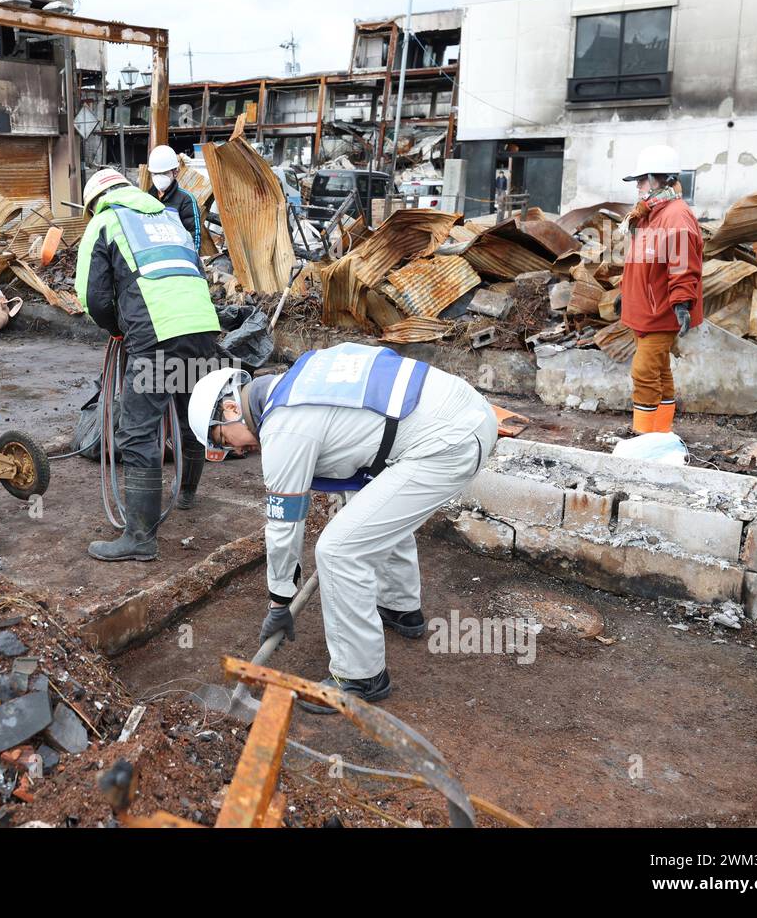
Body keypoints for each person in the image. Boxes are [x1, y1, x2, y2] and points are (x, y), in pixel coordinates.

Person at [188, 343, 497, 707]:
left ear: (229, 409)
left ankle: (361, 677)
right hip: (463, 412)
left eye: (225, 439)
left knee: (339, 549)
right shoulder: (301, 378)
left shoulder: (284, 425)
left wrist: (278, 601)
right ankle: (399, 607)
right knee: (366, 506)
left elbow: (284, 524)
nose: (236, 451)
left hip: (447, 442)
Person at [76, 169, 221, 562]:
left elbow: (93, 296)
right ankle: (187, 496)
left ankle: (140, 539)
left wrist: (117, 329)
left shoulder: (106, 221)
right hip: (203, 329)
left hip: (158, 338)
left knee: (138, 432)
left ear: (94, 203)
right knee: (192, 415)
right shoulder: (169, 220)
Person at [618, 146, 704, 434]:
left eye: (642, 180)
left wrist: (682, 303)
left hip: (662, 313)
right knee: (660, 371)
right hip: (646, 310)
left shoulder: (676, 215)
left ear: (660, 180)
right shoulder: (650, 214)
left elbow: (683, 265)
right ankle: (661, 433)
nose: (639, 187)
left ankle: (643, 436)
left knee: (643, 373)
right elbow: (640, 262)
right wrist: (625, 293)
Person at [147, 144, 203, 253]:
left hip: (178, 256)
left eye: (164, 173)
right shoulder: (147, 198)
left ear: (175, 172)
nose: (159, 177)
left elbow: (194, 236)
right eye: (155, 174)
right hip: (153, 257)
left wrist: (191, 260)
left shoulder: (186, 200)